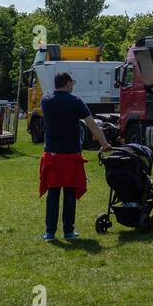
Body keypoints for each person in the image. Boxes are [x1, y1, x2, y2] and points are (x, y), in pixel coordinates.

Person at [38, 71, 110, 241]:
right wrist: (105, 144)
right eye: (72, 83)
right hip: (71, 155)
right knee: (69, 194)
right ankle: (68, 231)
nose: (73, 86)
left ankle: (50, 232)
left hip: (52, 154)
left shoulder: (46, 101)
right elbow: (93, 126)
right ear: (68, 83)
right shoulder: (76, 101)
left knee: (53, 194)